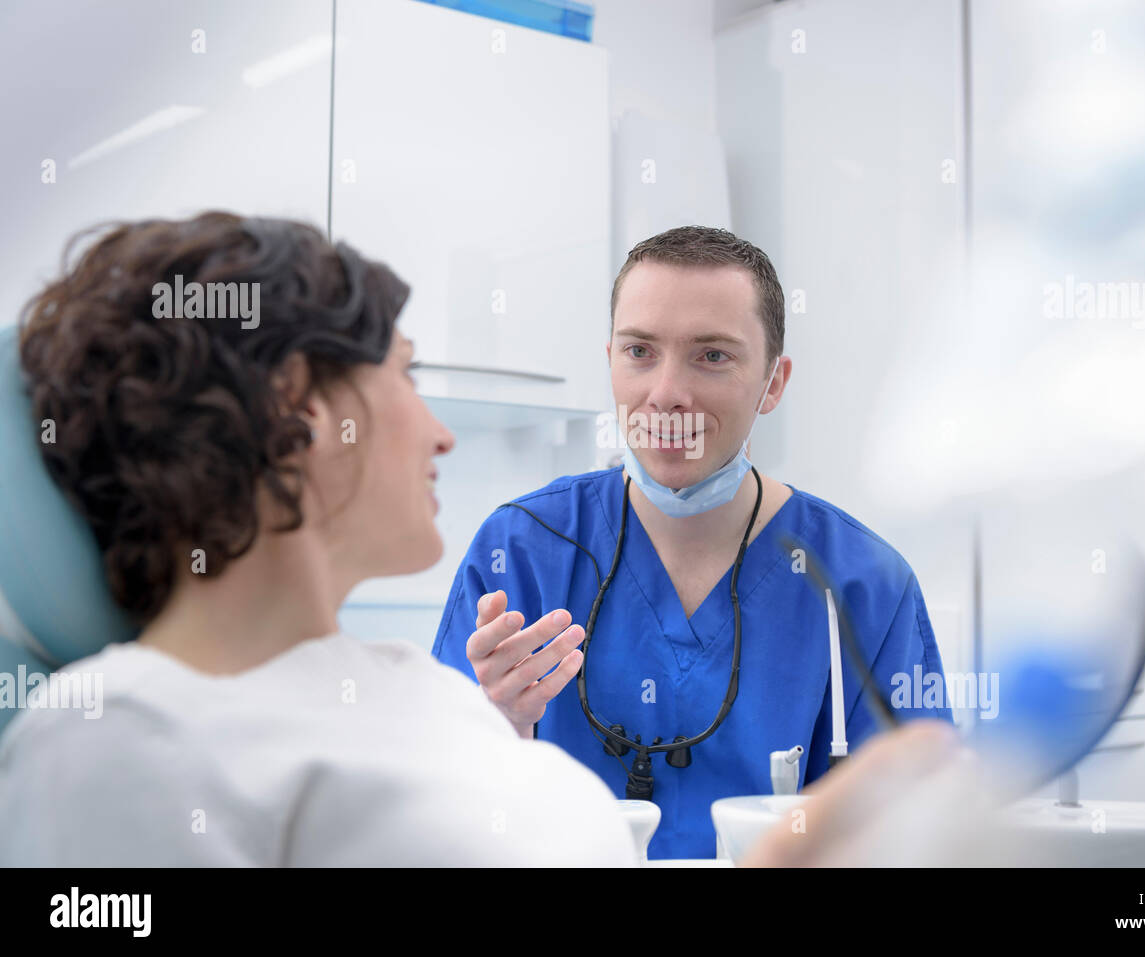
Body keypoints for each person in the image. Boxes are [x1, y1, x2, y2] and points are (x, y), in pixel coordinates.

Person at [0, 211, 958, 866]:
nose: (443, 432)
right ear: (298, 413)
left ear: (771, 379)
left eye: (712, 355)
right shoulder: (121, 735)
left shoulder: (394, 692)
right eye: (407, 377)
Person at [434, 226, 953, 859]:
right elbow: (433, 821)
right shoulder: (520, 553)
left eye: (712, 355)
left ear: (774, 382)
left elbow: (918, 835)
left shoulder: (862, 583)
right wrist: (498, 730)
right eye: (639, 352)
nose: (666, 394)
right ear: (611, 361)